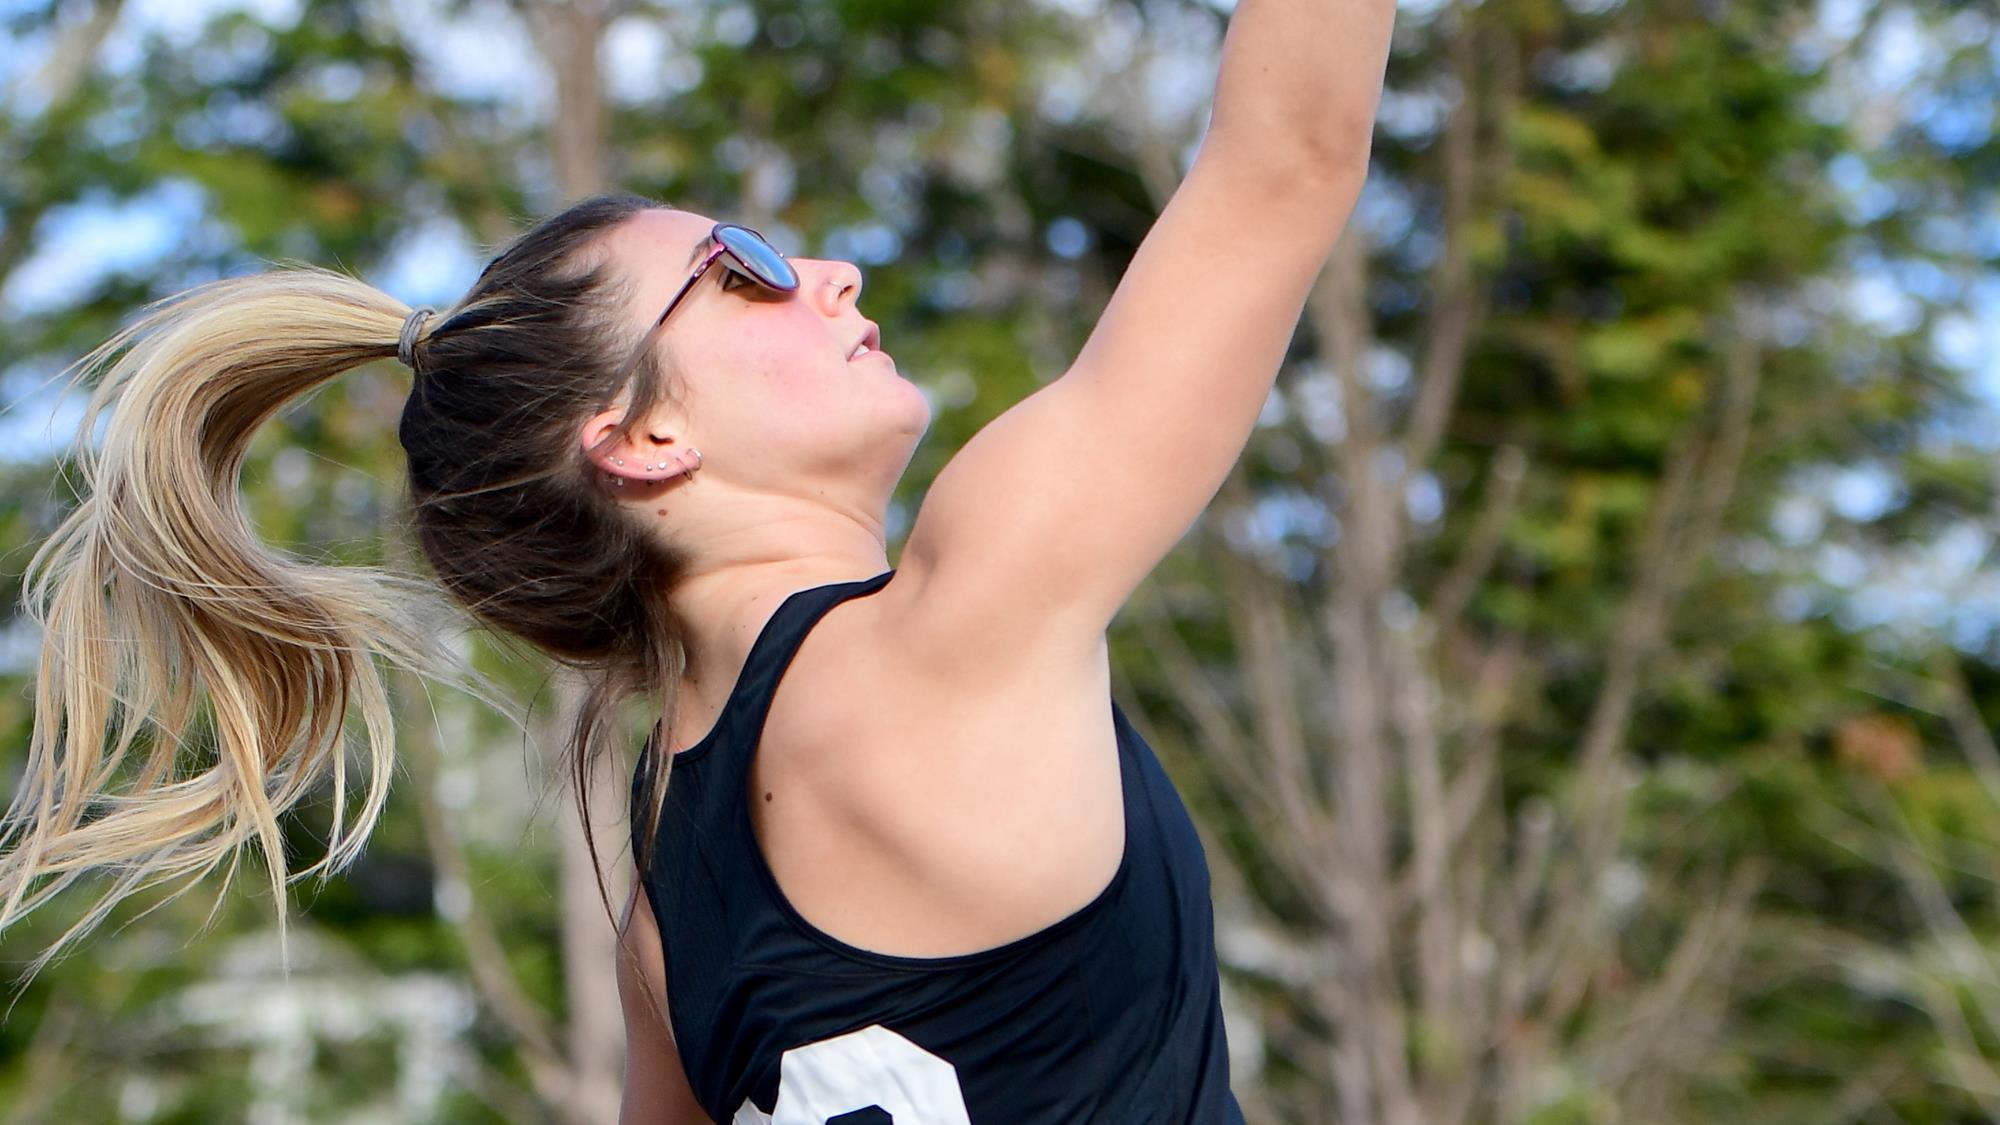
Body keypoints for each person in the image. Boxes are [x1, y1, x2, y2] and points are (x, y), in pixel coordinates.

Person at [2, 0, 1394, 1119]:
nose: (828, 271)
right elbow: (1287, 158)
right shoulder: (956, 626)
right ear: (645, 434)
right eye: (746, 265)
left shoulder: (665, 919)